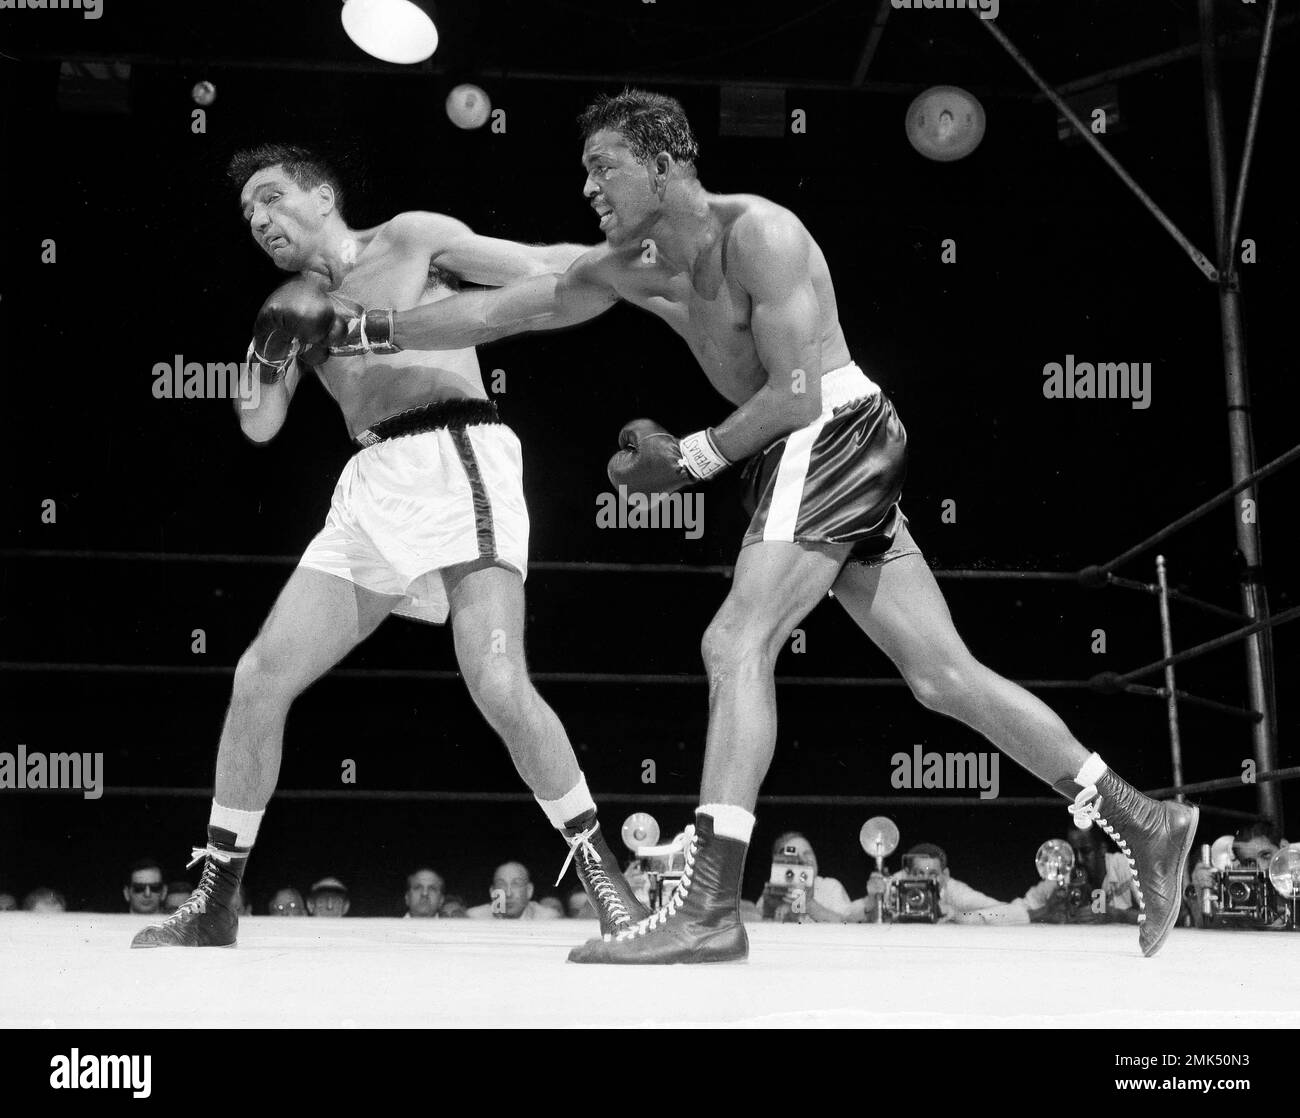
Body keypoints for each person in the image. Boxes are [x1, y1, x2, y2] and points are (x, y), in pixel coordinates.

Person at [288, 91, 1199, 962]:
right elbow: (509, 305)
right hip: (799, 453)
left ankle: (710, 908)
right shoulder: (629, 265)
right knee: (942, 676)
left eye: (604, 166)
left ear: (664, 161)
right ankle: (1144, 820)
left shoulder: (759, 232)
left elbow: (796, 391)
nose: (589, 186)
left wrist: (685, 460)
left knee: (736, 640)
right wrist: (367, 328)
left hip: (830, 427)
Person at [130, 144, 647, 949]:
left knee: (499, 681)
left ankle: (606, 882)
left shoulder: (409, 239)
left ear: (321, 193)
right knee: (259, 676)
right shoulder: (294, 301)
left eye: (271, 198)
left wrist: (628, 257)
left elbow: (537, 264)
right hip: (370, 480)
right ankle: (217, 899)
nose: (259, 220)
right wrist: (272, 345)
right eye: (247, 214)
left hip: (457, 453)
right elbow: (259, 421)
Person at [756, 831, 853, 923]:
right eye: (794, 857)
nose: (803, 860)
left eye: (807, 853)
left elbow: (849, 926)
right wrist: (769, 911)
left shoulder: (830, 887)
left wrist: (808, 903)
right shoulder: (773, 893)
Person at [467, 862, 560, 920]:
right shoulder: (475, 918)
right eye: (501, 884)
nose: (508, 894)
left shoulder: (547, 919)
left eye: (516, 884)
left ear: (529, 890)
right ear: (492, 892)